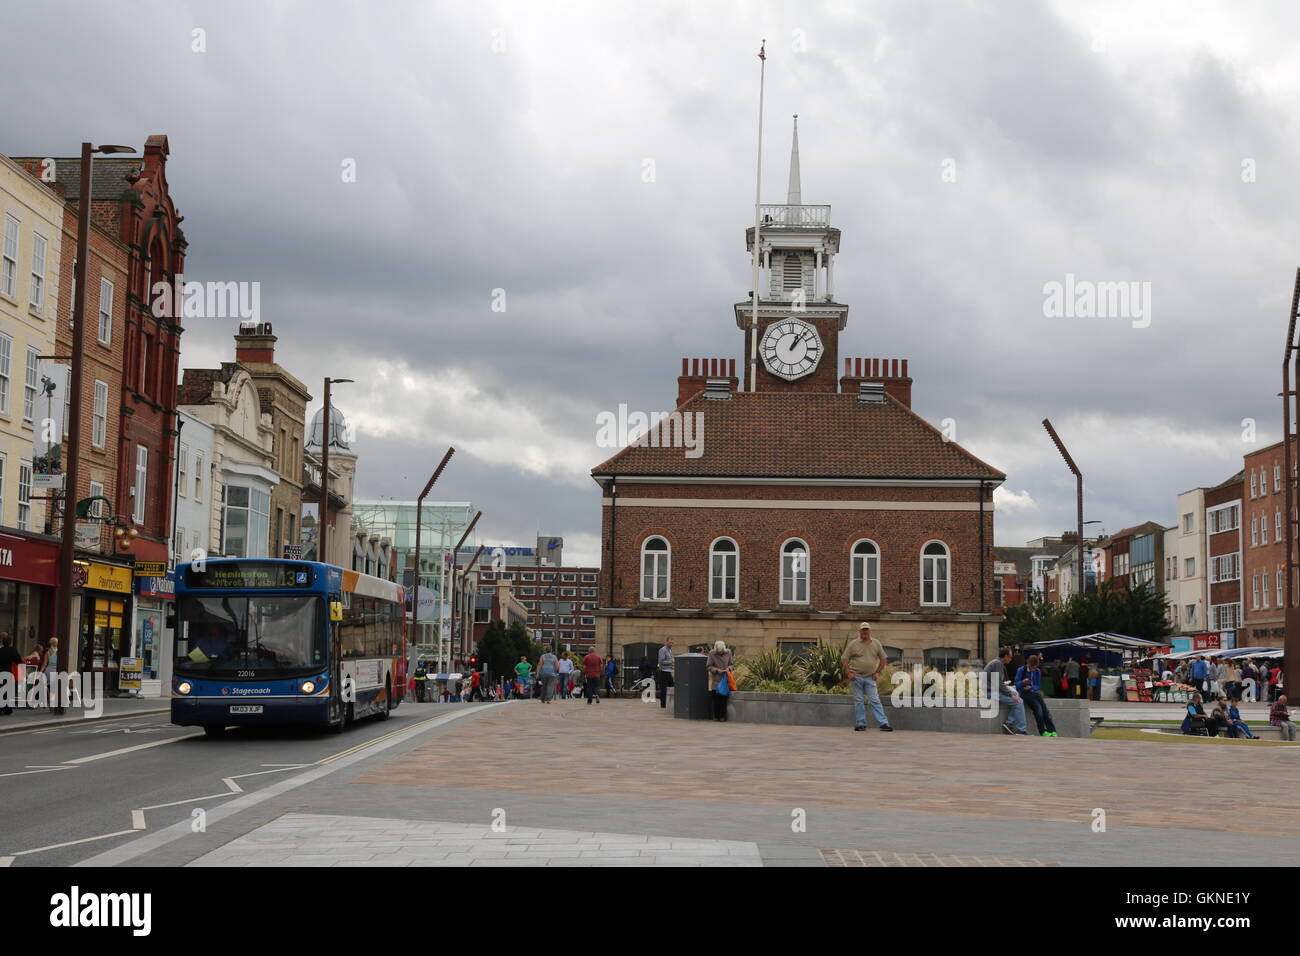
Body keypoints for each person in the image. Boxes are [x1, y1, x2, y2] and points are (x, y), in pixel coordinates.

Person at [841, 623, 893, 732]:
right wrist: (848, 672)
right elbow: (844, 658)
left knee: (875, 700)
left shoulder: (876, 643)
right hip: (856, 677)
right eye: (863, 630)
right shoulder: (853, 644)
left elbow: (883, 659)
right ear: (859, 631)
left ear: (870, 631)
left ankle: (883, 723)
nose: (865, 632)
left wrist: (878, 672)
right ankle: (861, 724)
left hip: (870, 677)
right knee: (859, 700)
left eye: (866, 630)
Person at [985, 646, 1027, 735]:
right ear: (1005, 656)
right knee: (1018, 702)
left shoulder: (997, 663)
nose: (1011, 659)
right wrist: (1011, 694)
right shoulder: (997, 663)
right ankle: (1020, 729)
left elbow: (998, 682)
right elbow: (998, 683)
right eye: (1010, 657)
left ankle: (1009, 723)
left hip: (993, 691)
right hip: (991, 693)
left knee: (1018, 700)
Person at [1014, 653, 1057, 737]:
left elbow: (1037, 685)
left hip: (1033, 692)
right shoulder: (1021, 670)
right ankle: (1042, 731)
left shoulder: (1037, 671)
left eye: (1035, 667)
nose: (1033, 669)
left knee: (1045, 710)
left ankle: (1052, 730)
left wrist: (1032, 687)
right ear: (1028, 664)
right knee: (1038, 709)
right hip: (1024, 693)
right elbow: (1016, 684)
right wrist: (1023, 682)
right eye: (1032, 667)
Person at [706, 640, 733, 722]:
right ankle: (716, 716)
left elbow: (731, 664)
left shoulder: (728, 652)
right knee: (716, 700)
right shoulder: (712, 653)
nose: (720, 653)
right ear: (716, 649)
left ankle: (722, 717)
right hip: (716, 680)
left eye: (722, 652)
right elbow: (708, 666)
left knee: (723, 700)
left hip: (725, 679)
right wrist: (717, 670)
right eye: (719, 652)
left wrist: (728, 669)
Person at [41, 638, 63, 714]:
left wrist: (40, 672)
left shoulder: (48, 653)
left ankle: (51, 703)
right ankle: (53, 704)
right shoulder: (59, 652)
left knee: (50, 689)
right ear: (56, 643)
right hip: (56, 671)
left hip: (48, 671)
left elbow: (44, 664)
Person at [0, 634, 20, 715]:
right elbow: (18, 660)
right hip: (7, 671)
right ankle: (7, 709)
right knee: (7, 691)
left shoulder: (0, 650)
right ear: (10, 642)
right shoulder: (12, 650)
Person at [656, 639, 675, 709]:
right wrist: (671, 662)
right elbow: (661, 661)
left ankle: (669, 703)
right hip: (663, 671)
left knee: (672, 686)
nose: (671, 644)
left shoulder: (670, 650)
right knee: (664, 688)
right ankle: (663, 704)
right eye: (670, 642)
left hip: (669, 671)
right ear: (666, 642)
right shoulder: (662, 650)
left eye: (672, 643)